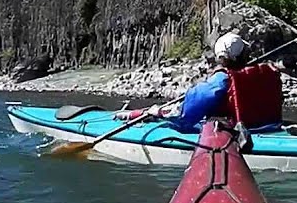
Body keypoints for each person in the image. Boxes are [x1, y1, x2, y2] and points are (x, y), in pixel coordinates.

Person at [115, 32, 284, 134]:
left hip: (240, 131)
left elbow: (185, 117)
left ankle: (136, 114)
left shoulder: (221, 79)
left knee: (170, 115)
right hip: (270, 126)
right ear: (244, 55)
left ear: (220, 58)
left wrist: (157, 112)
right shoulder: (264, 72)